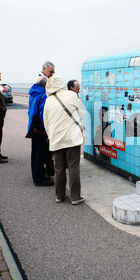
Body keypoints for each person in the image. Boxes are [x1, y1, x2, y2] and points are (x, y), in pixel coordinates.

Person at [43, 74, 86, 205]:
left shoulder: (48, 100)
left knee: (58, 168)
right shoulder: (71, 95)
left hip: (56, 138)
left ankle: (59, 195)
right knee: (73, 167)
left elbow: (46, 120)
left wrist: (51, 133)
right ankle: (75, 197)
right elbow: (82, 111)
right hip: (72, 137)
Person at [28, 73, 54, 186]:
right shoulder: (43, 95)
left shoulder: (33, 93)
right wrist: (47, 131)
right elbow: (44, 115)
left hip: (33, 127)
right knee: (41, 154)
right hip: (41, 129)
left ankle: (35, 175)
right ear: (45, 85)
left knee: (34, 153)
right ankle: (39, 178)